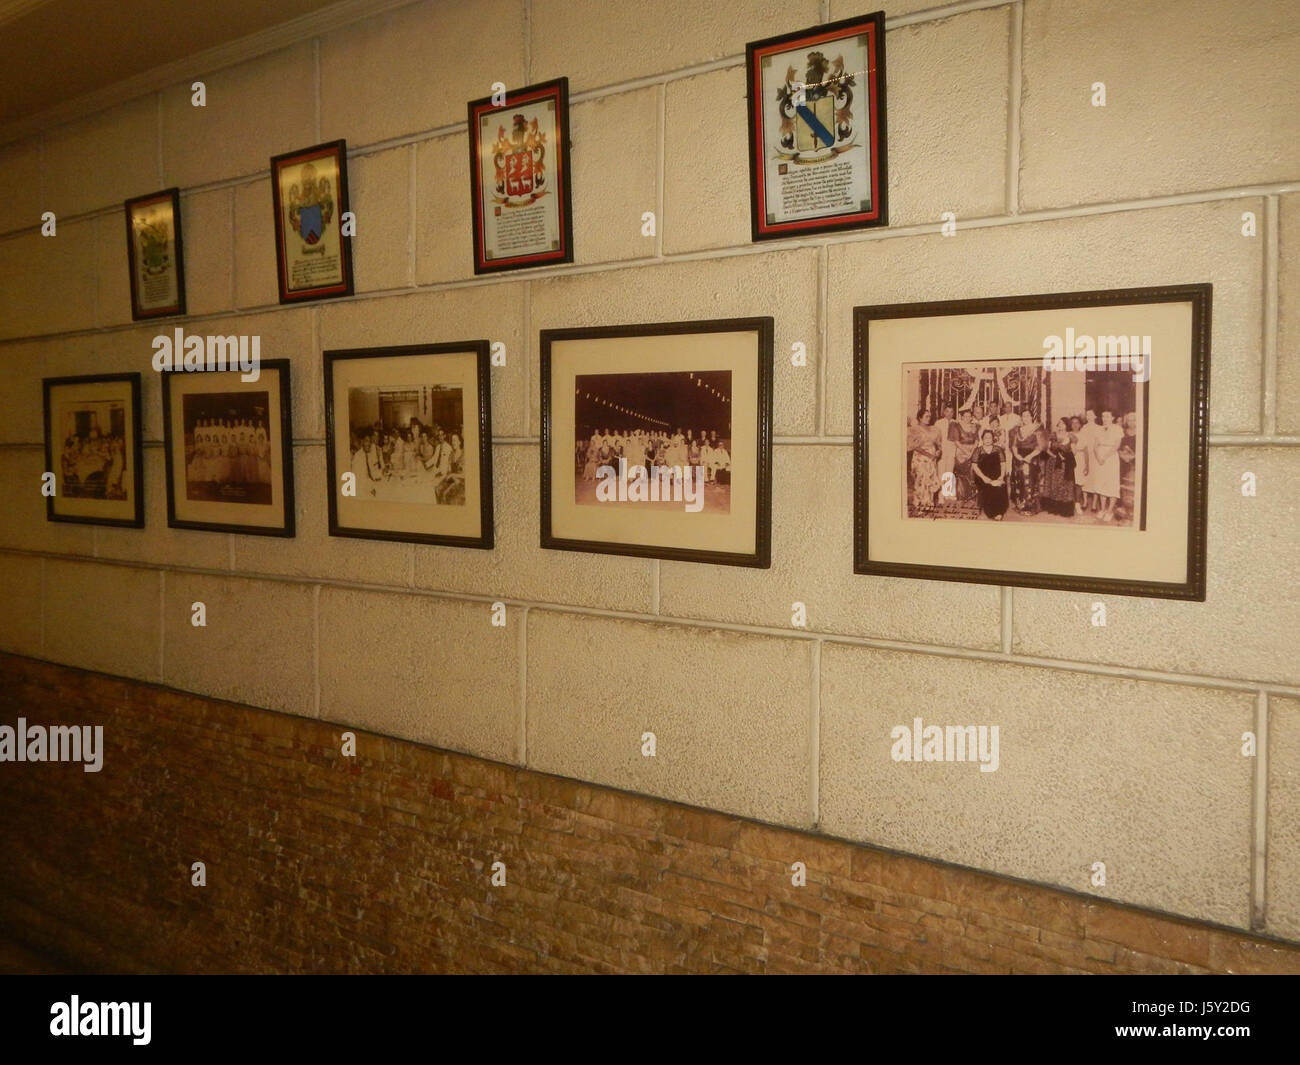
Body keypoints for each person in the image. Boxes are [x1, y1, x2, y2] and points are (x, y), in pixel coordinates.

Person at [1008, 409, 1045, 514]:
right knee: (1019, 480)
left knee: (1030, 480)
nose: (1026, 418)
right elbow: (1014, 445)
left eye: (1028, 416)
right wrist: (1016, 455)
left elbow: (1040, 446)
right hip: (1019, 457)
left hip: (1032, 457)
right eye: (1024, 416)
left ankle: (1030, 506)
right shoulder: (1017, 430)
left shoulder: (1038, 429)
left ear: (1032, 417)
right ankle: (1021, 504)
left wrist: (1029, 457)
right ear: (1021, 418)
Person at [1039, 420, 1077, 517]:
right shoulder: (1053, 435)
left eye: (1063, 424)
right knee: (1052, 484)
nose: (1061, 425)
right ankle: (1053, 508)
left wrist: (1066, 456)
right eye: (1059, 424)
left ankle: (1064, 509)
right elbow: (1046, 448)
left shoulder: (1071, 436)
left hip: (1064, 464)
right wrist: (1054, 456)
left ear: (1066, 425)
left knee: (1064, 485)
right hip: (1052, 463)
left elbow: (1075, 451)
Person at [1090, 410, 1124, 522]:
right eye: (1103, 416)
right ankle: (1103, 509)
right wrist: (1098, 457)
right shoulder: (1098, 429)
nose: (1105, 418)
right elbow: (1095, 446)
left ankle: (1110, 511)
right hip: (1099, 457)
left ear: (1112, 418)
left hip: (1111, 457)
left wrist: (1105, 457)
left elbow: (1116, 446)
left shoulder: (1117, 429)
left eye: (1107, 416)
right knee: (1101, 482)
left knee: (1112, 483)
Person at [907, 409, 942, 513]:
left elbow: (938, 444)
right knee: (922, 480)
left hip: (932, 458)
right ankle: (920, 505)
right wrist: (928, 455)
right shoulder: (914, 429)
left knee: (930, 480)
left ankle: (929, 504)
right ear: (920, 418)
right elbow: (913, 446)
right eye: (926, 416)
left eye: (929, 416)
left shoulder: (934, 429)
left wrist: (938, 452)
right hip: (920, 458)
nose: (928, 418)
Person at [971, 429, 1008, 520]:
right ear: (982, 439)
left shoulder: (998, 449)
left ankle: (1000, 512)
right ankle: (992, 513)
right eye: (985, 438)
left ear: (993, 439)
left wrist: (1001, 477)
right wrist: (984, 478)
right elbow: (974, 466)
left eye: (990, 438)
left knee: (1000, 487)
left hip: (997, 474)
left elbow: (1003, 464)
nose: (988, 440)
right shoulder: (978, 450)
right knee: (989, 487)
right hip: (982, 476)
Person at [1116, 412, 1138, 524]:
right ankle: (1122, 509)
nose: (1131, 422)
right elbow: (1119, 448)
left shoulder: (1141, 433)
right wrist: (1123, 456)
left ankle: (1133, 511)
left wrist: (1132, 457)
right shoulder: (1123, 433)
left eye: (1134, 419)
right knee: (1122, 484)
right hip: (1124, 462)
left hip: (1135, 463)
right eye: (1129, 420)